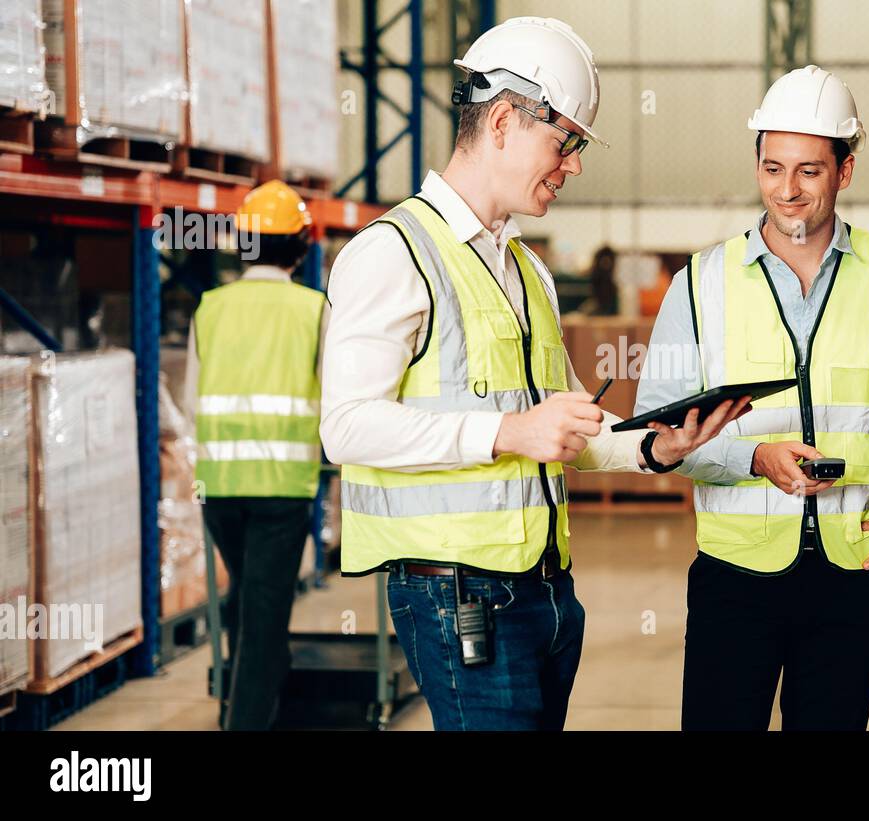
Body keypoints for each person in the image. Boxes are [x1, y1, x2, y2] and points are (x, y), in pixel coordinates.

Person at [319, 16, 746, 731]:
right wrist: (510, 430)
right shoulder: (393, 253)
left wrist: (653, 447)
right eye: (565, 141)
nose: (573, 164)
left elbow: (562, 420)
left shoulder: (527, 271)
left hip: (546, 598)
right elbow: (346, 426)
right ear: (505, 121)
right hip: (457, 599)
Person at [635, 65, 869, 730]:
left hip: (854, 576)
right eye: (772, 167)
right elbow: (660, 437)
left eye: (810, 170)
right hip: (735, 576)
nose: (788, 191)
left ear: (846, 169)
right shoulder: (701, 282)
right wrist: (754, 460)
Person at [185, 180, 327, 730]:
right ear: (301, 245)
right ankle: (246, 720)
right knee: (265, 616)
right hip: (282, 488)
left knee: (249, 600)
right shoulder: (314, 310)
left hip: (218, 487)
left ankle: (252, 699)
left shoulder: (210, 308)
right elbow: (334, 400)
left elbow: (191, 394)